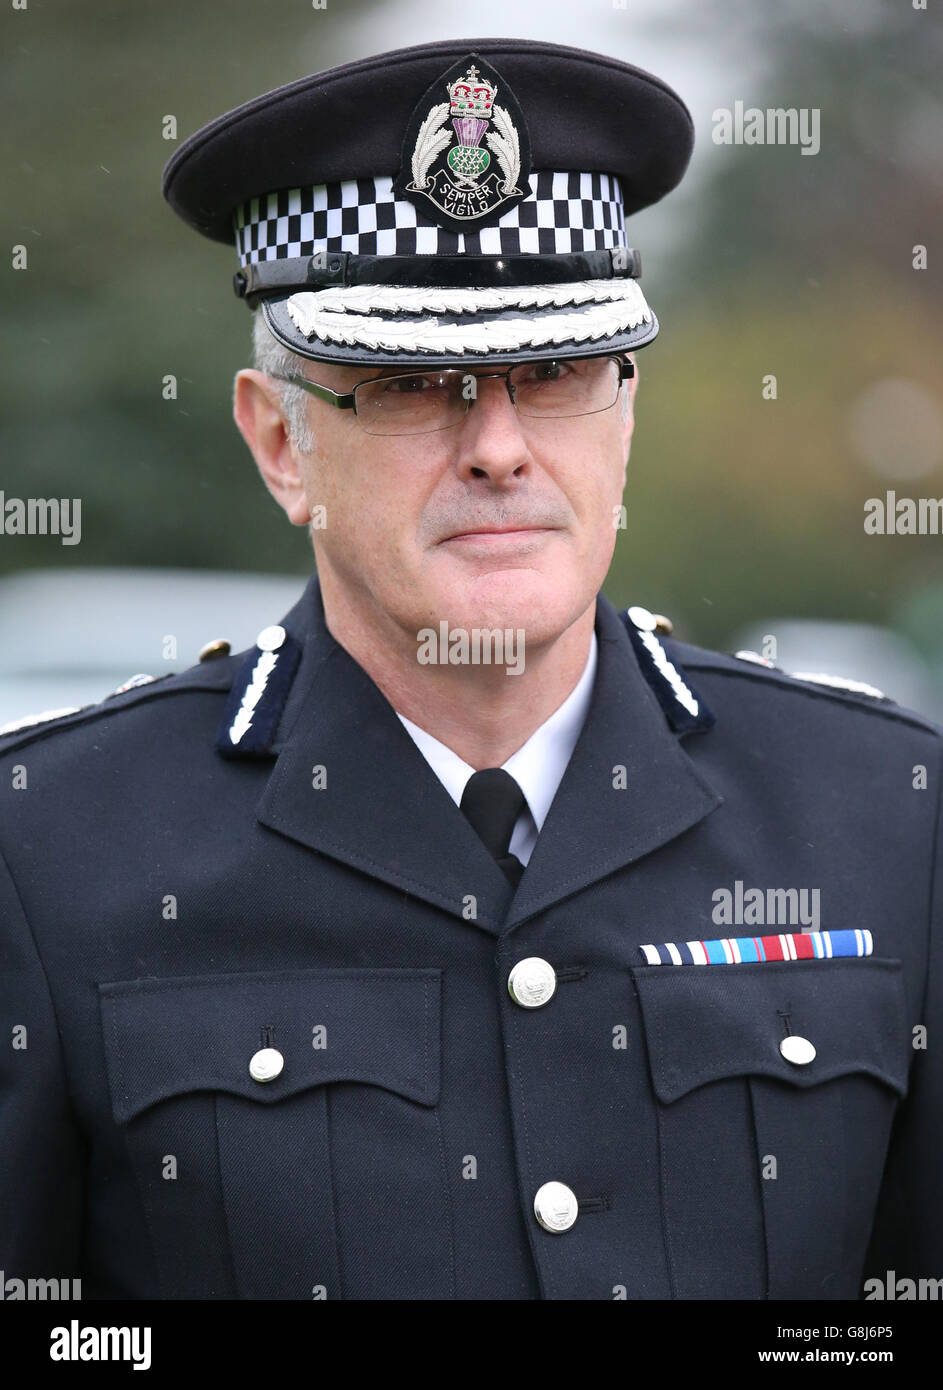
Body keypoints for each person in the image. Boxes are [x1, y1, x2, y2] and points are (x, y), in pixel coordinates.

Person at [0, 36, 939, 1302]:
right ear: (280, 442)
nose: (497, 447)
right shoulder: (52, 856)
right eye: (409, 384)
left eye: (552, 373)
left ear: (626, 412)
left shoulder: (887, 817)